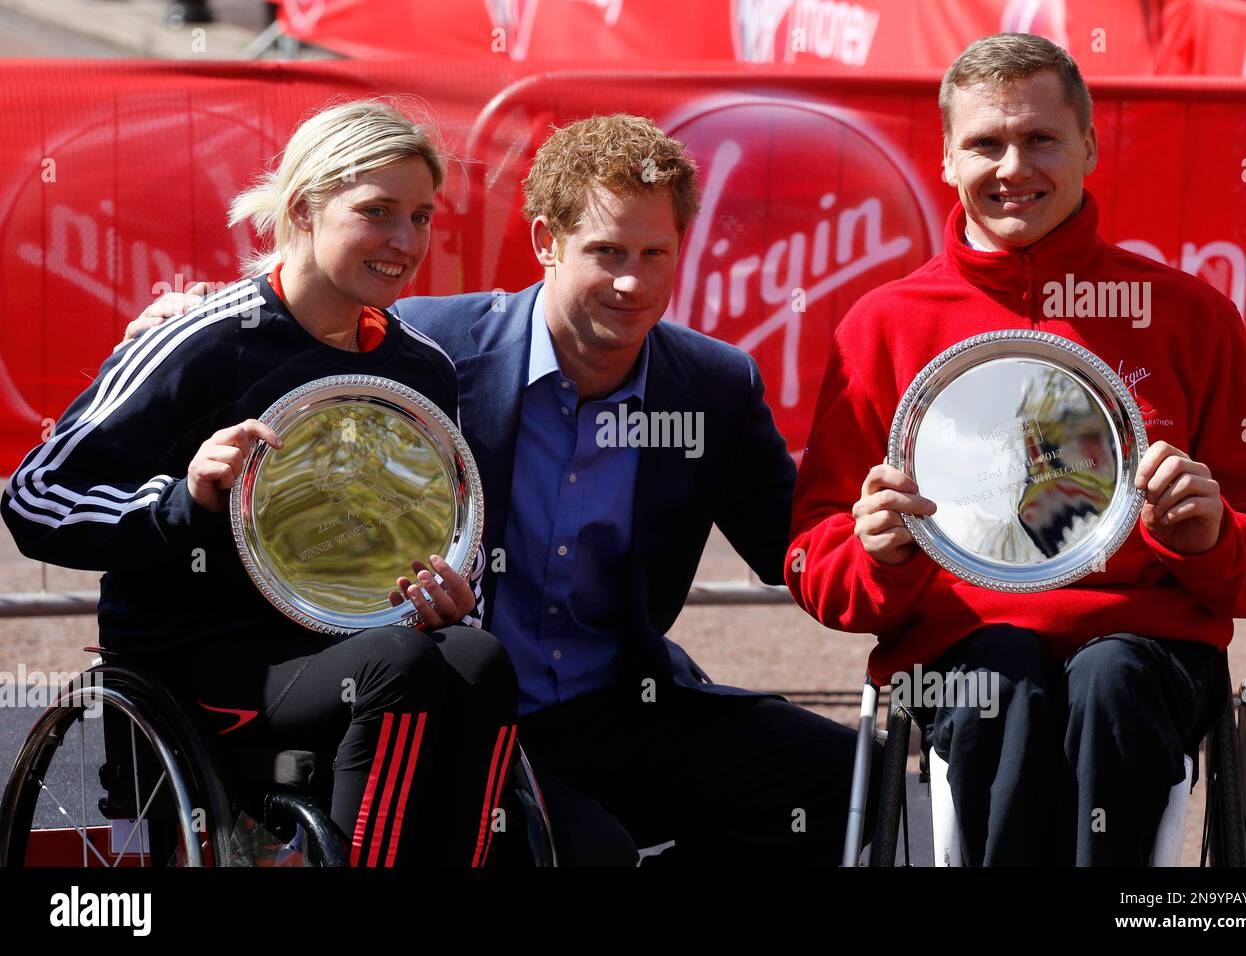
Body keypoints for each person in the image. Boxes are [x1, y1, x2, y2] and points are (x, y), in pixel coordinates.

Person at [124, 113, 859, 867]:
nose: (632, 282)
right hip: (472, 713)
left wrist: (894, 542)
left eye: (655, 253)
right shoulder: (427, 350)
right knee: (589, 855)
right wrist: (204, 310)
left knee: (842, 779)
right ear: (546, 242)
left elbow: (796, 546)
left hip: (622, 703)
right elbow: (301, 323)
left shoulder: (712, 385)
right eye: (605, 252)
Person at [786, 33, 1246, 865]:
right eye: (985, 142)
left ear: (1090, 147)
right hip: (960, 649)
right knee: (1005, 679)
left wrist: (1213, 539)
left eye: (1041, 138)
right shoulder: (882, 327)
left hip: (1150, 653)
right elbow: (815, 562)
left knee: (1111, 681)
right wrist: (877, 553)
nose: (1011, 166)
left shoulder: (1188, 315)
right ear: (947, 157)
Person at [3, 99, 518, 868]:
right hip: (200, 662)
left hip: (347, 644)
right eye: (377, 212)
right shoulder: (202, 342)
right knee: (398, 664)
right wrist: (184, 498)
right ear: (306, 209)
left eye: (420, 216)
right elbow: (35, 495)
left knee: (476, 658)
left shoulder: (419, 369)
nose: (405, 242)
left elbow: (449, 522)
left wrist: (454, 585)